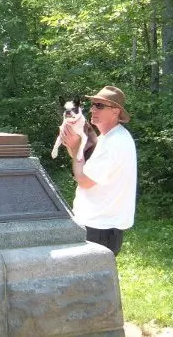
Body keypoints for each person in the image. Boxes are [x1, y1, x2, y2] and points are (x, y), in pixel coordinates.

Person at [62, 86, 137, 256]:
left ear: (116, 112)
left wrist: (75, 149)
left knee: (89, 281)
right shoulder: (109, 138)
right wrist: (76, 145)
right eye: (94, 104)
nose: (93, 109)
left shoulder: (113, 143)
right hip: (100, 226)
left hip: (99, 229)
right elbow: (85, 165)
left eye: (100, 106)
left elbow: (84, 180)